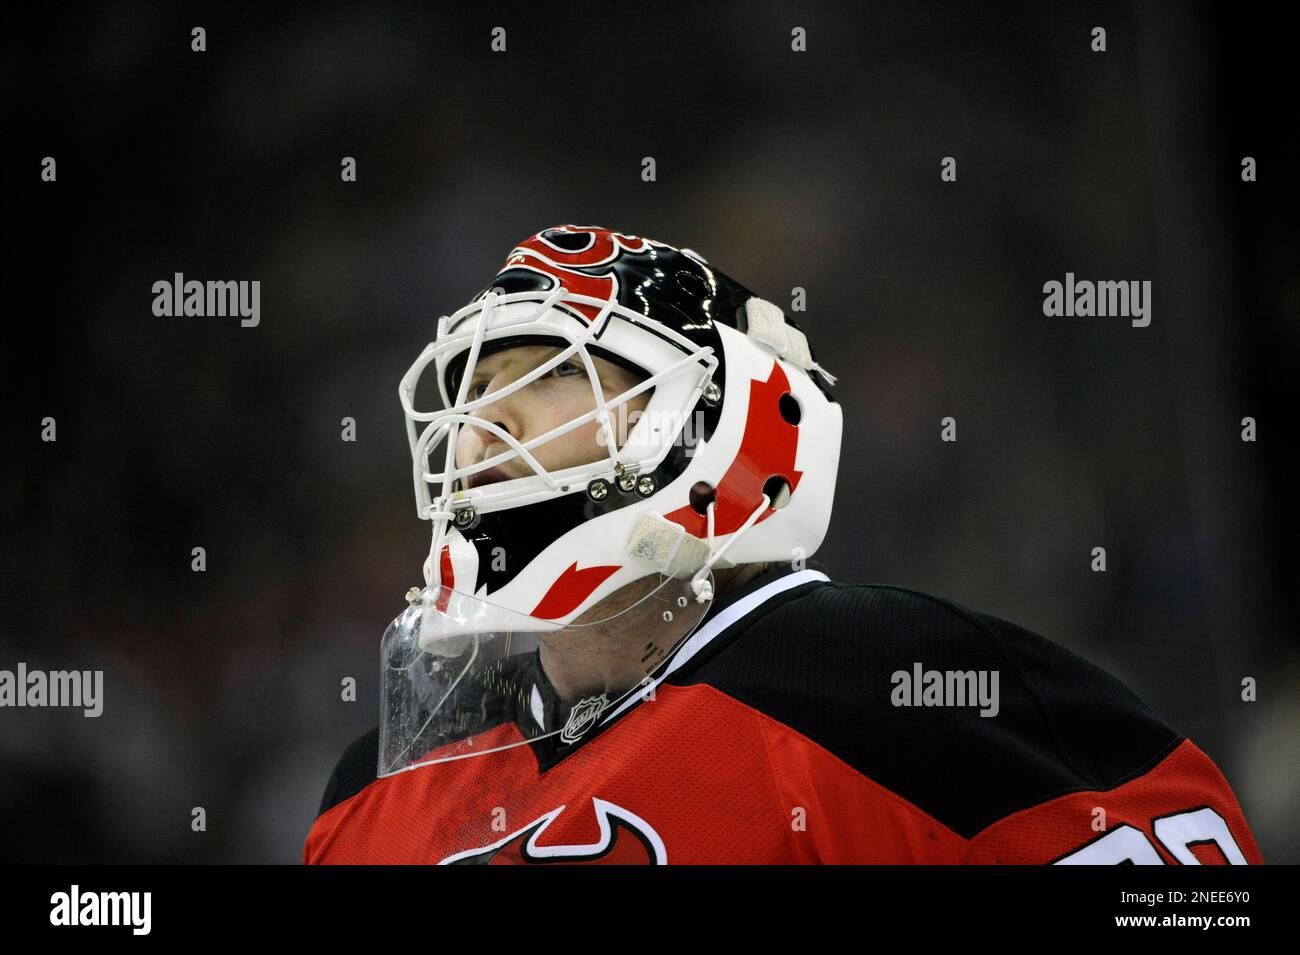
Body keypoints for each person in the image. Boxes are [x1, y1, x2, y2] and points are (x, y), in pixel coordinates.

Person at [304, 225, 1262, 864]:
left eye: (547, 373)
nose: (479, 428)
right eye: (470, 389)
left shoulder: (883, 680)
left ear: (721, 420)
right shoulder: (373, 790)